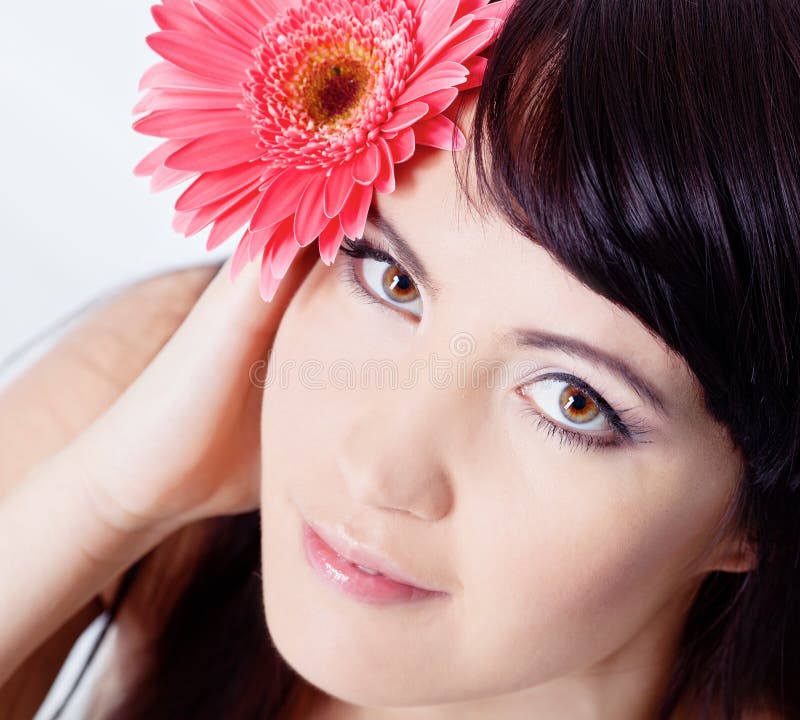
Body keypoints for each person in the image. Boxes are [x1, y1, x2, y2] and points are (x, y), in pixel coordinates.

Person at [1, 0, 799, 718]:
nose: (378, 470)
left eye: (572, 402)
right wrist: (104, 503)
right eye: (391, 279)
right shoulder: (156, 397)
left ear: (752, 519)